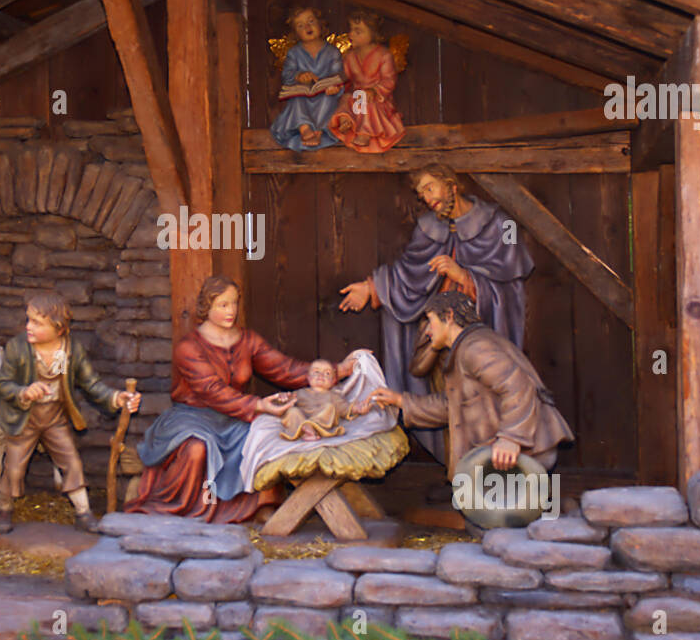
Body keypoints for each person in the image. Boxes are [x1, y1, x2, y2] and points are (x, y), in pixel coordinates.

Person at [126, 275, 361, 522]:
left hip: (235, 416)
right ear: (207, 307)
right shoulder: (189, 348)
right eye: (223, 305)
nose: (231, 311)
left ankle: (258, 505)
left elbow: (285, 368)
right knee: (197, 448)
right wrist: (259, 405)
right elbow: (212, 391)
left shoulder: (247, 340)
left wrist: (337, 370)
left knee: (263, 437)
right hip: (191, 417)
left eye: (234, 303)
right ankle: (183, 506)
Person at [338, 164, 533, 462]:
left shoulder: (501, 224)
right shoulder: (429, 227)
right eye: (421, 193)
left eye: (430, 188)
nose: (427, 198)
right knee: (448, 403)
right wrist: (371, 288)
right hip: (441, 339)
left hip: (481, 339)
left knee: (481, 403)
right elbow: (409, 273)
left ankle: (485, 471)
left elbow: (511, 282)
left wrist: (465, 277)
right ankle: (457, 473)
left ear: (451, 184)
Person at [366, 290, 572, 471]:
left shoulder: (475, 348)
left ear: (449, 316)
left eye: (430, 321)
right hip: (523, 451)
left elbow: (517, 386)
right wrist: (401, 401)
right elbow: (452, 405)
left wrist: (511, 438)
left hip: (526, 452)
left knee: (492, 513)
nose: (427, 331)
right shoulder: (467, 347)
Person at [0, 290, 140, 533]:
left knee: (71, 462)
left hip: (55, 418)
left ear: (59, 329)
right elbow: (3, 384)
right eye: (29, 319)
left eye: (38, 323)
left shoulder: (72, 351)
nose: (29, 326)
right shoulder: (17, 348)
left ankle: (83, 513)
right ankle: (4, 509)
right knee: (14, 466)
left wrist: (116, 398)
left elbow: (91, 384)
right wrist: (24, 392)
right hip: (25, 418)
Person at [327, 10, 405, 153]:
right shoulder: (350, 57)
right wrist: (336, 86)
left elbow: (389, 80)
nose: (351, 35)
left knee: (365, 101)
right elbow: (345, 78)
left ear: (373, 33)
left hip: (377, 100)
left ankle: (365, 132)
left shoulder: (384, 55)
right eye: (351, 30)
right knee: (346, 99)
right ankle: (346, 121)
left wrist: (374, 90)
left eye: (358, 31)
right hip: (358, 98)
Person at [269, 6, 344, 151]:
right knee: (297, 100)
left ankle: (320, 132)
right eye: (301, 25)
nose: (307, 27)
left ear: (320, 24)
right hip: (303, 94)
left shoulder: (332, 52)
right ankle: (304, 129)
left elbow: (337, 74)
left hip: (325, 93)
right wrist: (299, 76)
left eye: (311, 21)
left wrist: (333, 87)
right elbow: (287, 74)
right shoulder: (294, 53)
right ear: (296, 33)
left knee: (328, 101)